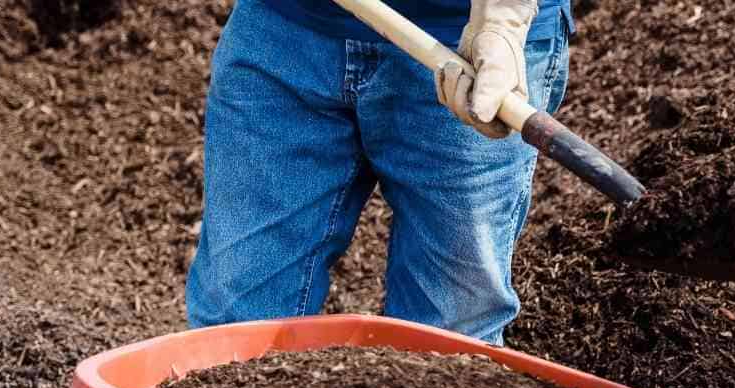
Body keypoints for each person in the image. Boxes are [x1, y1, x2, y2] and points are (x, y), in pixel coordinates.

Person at [187, 0, 573, 345]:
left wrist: (500, 21)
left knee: (448, 343)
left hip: (460, 45)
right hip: (288, 26)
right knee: (233, 325)